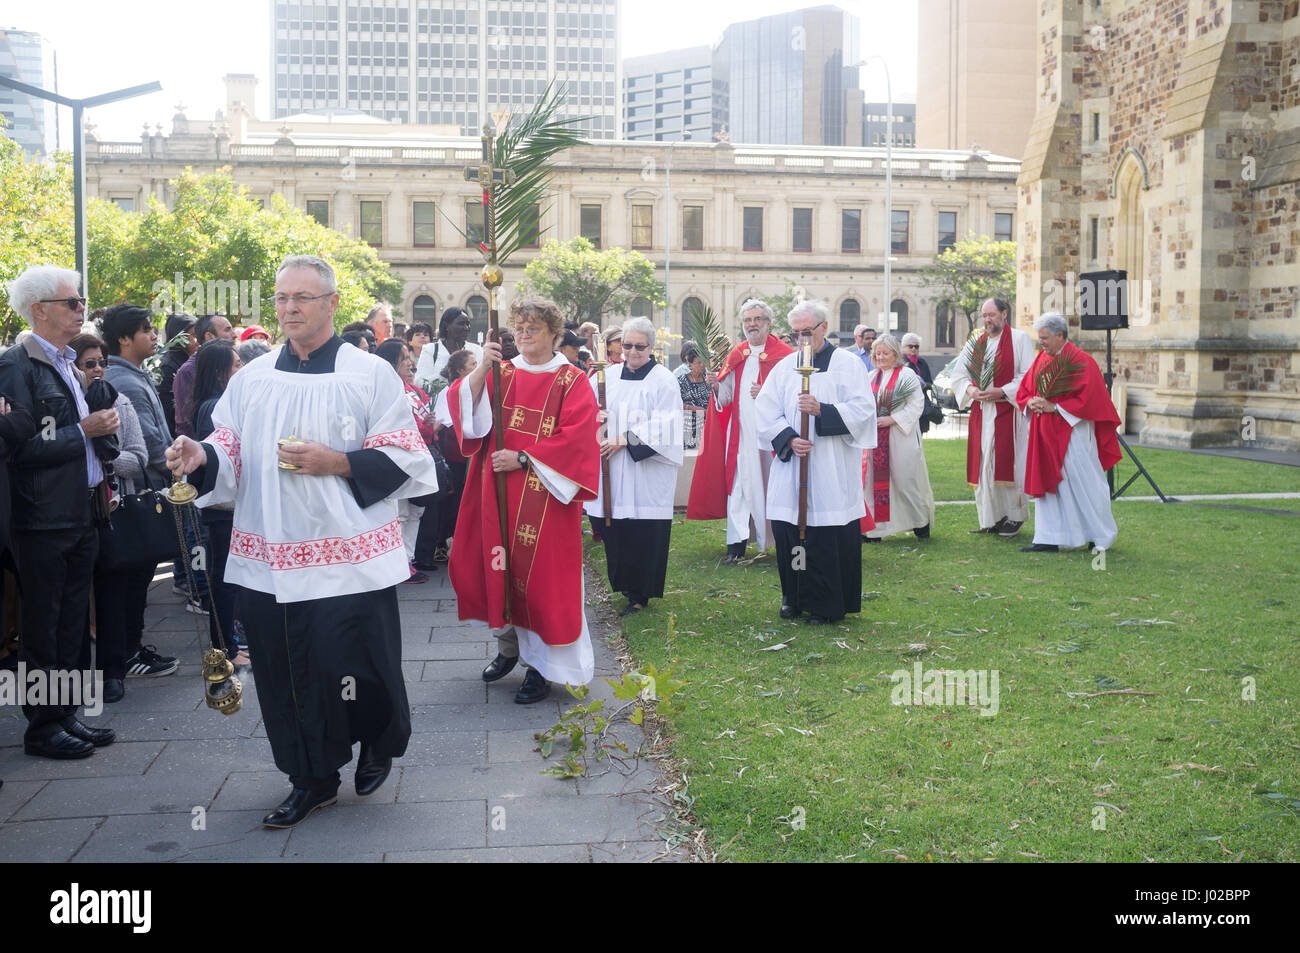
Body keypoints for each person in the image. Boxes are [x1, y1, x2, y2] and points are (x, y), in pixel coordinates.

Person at [164, 254, 440, 828]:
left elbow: (409, 457)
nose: (289, 308)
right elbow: (230, 448)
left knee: (359, 665)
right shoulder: (254, 377)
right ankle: (310, 778)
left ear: (331, 304)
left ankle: (376, 740)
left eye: (303, 298)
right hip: (270, 554)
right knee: (284, 671)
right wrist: (201, 455)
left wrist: (337, 461)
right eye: (282, 298)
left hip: (350, 554)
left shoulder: (370, 374)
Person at [448, 297, 599, 704]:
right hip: (495, 490)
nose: (525, 333)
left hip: (546, 496)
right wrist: (482, 365)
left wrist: (524, 458)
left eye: (533, 327)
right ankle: (509, 648)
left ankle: (542, 668)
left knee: (541, 581)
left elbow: (577, 440)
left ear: (553, 332)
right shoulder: (502, 372)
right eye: (519, 327)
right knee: (498, 569)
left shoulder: (572, 380)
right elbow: (464, 409)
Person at [0, 265, 118, 758]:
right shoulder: (16, 365)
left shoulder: (68, 361)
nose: (81, 309)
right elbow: (20, 447)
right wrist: (83, 432)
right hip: (42, 518)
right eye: (72, 302)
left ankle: (65, 715)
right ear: (39, 310)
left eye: (81, 301)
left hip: (80, 511)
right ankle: (42, 728)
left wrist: (102, 432)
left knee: (72, 623)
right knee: (43, 628)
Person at [756, 300, 875, 624]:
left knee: (824, 540)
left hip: (831, 472)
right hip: (793, 467)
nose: (800, 340)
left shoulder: (847, 365)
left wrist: (823, 411)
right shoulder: (784, 368)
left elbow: (864, 410)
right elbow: (765, 412)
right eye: (794, 334)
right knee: (792, 536)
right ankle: (794, 595)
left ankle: (826, 603)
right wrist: (789, 439)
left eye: (806, 332)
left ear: (824, 328)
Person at [72, 333, 154, 703]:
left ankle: (112, 673)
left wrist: (106, 459)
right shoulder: (67, 406)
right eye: (89, 364)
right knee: (71, 599)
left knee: (111, 594)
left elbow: (139, 457)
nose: (98, 370)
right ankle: (70, 685)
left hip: (113, 511)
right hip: (69, 511)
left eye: (101, 362)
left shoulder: (120, 403)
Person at [585, 317, 683, 616]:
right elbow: (583, 409)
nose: (632, 352)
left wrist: (625, 439)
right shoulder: (606, 377)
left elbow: (669, 424)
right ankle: (624, 585)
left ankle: (640, 593)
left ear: (651, 347)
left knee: (642, 530)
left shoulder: (664, 380)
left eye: (640, 347)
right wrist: (594, 418)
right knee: (613, 526)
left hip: (645, 471)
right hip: (612, 468)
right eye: (627, 345)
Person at [687, 299, 793, 563]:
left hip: (772, 440)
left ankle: (780, 541)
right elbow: (725, 399)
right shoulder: (738, 354)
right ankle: (735, 545)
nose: (752, 325)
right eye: (747, 320)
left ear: (768, 324)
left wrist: (767, 392)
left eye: (757, 319)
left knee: (773, 488)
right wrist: (715, 386)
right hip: (742, 436)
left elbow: (793, 397)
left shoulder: (785, 356)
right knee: (739, 488)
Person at [1016, 312, 1120, 554]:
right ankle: (1048, 537)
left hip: (1073, 435)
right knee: (1048, 483)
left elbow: (1091, 399)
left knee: (1084, 483)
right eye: (1039, 338)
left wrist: (1056, 407)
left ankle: (1099, 536)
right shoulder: (1042, 359)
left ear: (1060, 335)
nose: (1040, 342)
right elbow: (1026, 389)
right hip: (1044, 433)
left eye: (1044, 338)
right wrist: (1030, 402)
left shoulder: (1081, 361)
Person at [949, 298, 1035, 537]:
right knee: (984, 465)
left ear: (1004, 314)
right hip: (982, 412)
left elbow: (1028, 376)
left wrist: (1002, 391)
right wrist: (970, 390)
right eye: (984, 315)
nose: (987, 320)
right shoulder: (976, 342)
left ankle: (1014, 516)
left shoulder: (1019, 339)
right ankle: (990, 517)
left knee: (1007, 462)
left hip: (1008, 412)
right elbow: (959, 374)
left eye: (992, 315)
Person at [190, 339, 248, 668]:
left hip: (225, 505)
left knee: (226, 575)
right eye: (236, 364)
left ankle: (228, 642)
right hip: (222, 506)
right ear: (220, 373)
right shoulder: (215, 405)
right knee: (225, 577)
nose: (241, 369)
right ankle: (225, 647)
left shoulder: (215, 402)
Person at [861, 334, 935, 542]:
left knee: (905, 480)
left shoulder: (906, 376)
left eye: (886, 353)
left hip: (899, 437)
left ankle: (920, 522)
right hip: (875, 439)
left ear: (895, 354)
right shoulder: (870, 376)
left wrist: (891, 420)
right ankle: (875, 530)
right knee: (871, 483)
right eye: (878, 353)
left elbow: (916, 405)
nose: (881, 357)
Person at [374, 338, 435, 582]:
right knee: (398, 513)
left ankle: (408, 560)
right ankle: (397, 563)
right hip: (397, 460)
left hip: (419, 458)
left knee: (415, 512)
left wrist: (430, 425)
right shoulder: (384, 389)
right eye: (404, 358)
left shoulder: (414, 390)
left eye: (410, 357)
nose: (410, 363)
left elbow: (426, 429)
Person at [173, 314, 237, 441]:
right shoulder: (188, 371)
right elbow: (186, 423)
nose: (234, 334)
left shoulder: (232, 359)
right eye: (227, 330)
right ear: (209, 336)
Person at [415, 306, 482, 391]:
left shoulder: (476, 350)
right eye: (461, 324)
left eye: (468, 324)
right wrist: (443, 374)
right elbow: (419, 384)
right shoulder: (430, 350)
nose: (466, 328)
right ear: (447, 326)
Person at [157, 312, 198, 436]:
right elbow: (171, 411)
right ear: (178, 337)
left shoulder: (193, 360)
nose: (198, 340)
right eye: (194, 335)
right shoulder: (168, 368)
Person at [678, 346, 711, 450]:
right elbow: (676, 404)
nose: (702, 365)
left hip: (708, 426)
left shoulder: (709, 378)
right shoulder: (681, 381)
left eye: (704, 362)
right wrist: (696, 409)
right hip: (689, 428)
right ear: (690, 363)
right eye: (699, 362)